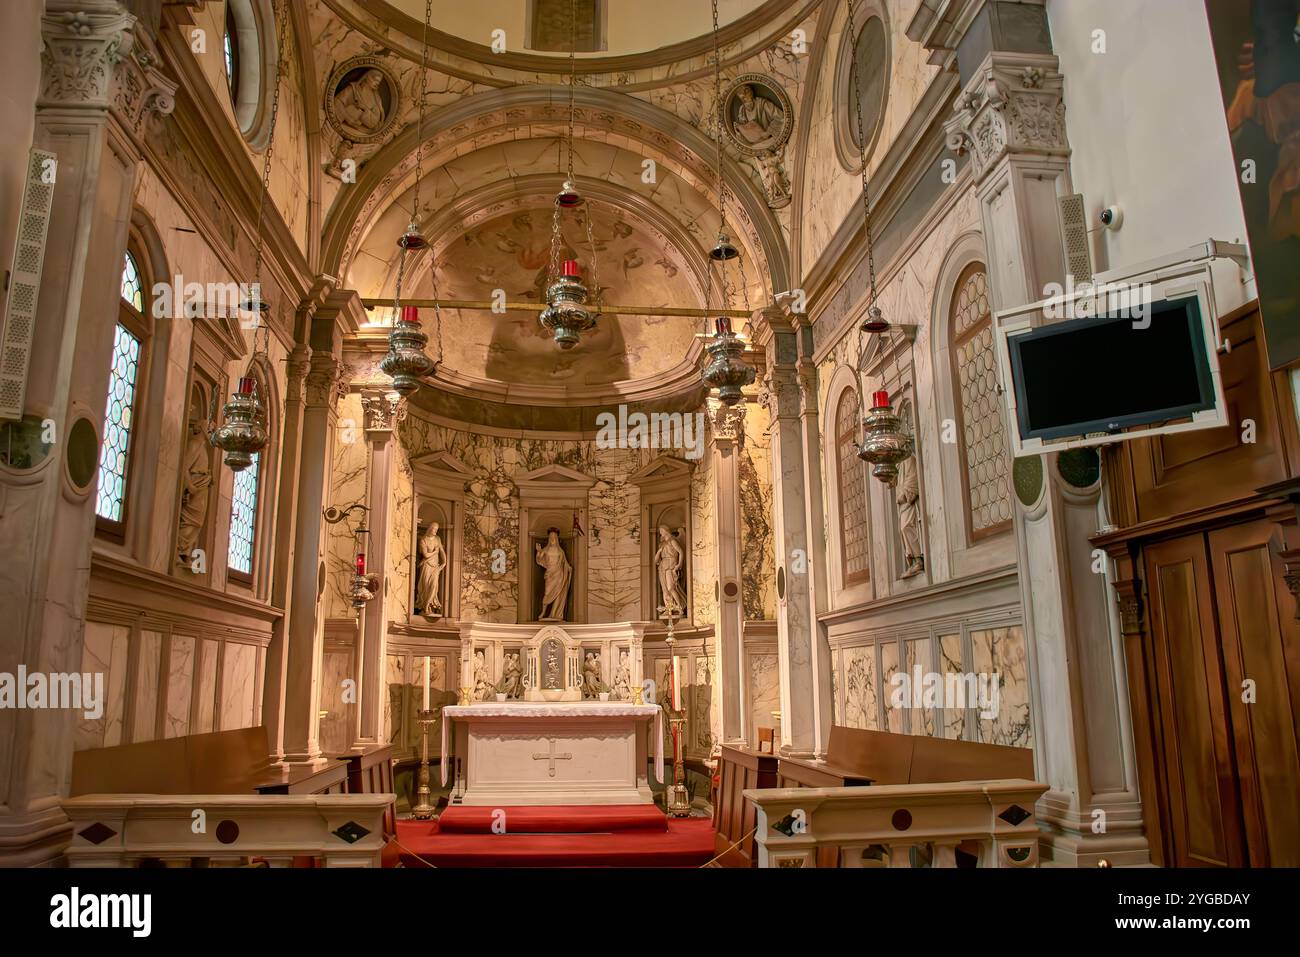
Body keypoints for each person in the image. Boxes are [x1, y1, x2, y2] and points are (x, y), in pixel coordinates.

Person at [731, 84, 784, 150]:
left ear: (751, 92)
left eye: (746, 91)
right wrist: (739, 130)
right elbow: (744, 129)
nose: (744, 95)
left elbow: (781, 117)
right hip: (755, 144)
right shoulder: (742, 109)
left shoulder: (762, 103)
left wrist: (768, 132)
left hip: (769, 140)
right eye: (741, 95)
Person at [535, 528, 572, 620]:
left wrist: (569, 568)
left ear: (556, 538)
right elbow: (539, 560)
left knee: (558, 593)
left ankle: (555, 614)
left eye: (554, 537)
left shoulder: (560, 551)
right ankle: (543, 613)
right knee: (547, 592)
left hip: (559, 574)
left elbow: (565, 563)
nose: (552, 539)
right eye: (551, 537)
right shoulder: (545, 550)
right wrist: (539, 552)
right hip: (550, 574)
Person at [335, 69, 387, 133]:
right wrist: (348, 119)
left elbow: (374, 122)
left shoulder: (377, 99)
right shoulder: (353, 89)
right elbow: (337, 102)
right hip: (344, 127)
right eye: (375, 80)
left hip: (361, 131)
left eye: (378, 82)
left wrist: (365, 109)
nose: (377, 83)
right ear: (368, 77)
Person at [654, 525, 686, 617]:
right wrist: (659, 552)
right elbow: (655, 560)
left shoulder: (672, 541)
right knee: (665, 590)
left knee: (671, 588)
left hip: (671, 565)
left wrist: (679, 564)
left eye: (661, 531)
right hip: (662, 566)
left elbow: (681, 552)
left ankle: (680, 607)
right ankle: (669, 608)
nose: (660, 533)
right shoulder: (662, 544)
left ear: (665, 531)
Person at [415, 523, 447, 616]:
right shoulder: (423, 540)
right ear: (429, 529)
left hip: (435, 567)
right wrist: (434, 552)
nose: (435, 531)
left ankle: (427, 605)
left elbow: (441, 551)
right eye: (434, 529)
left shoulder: (437, 539)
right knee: (425, 586)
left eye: (437, 529)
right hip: (426, 566)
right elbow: (425, 555)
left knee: (434, 586)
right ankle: (425, 606)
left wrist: (444, 562)